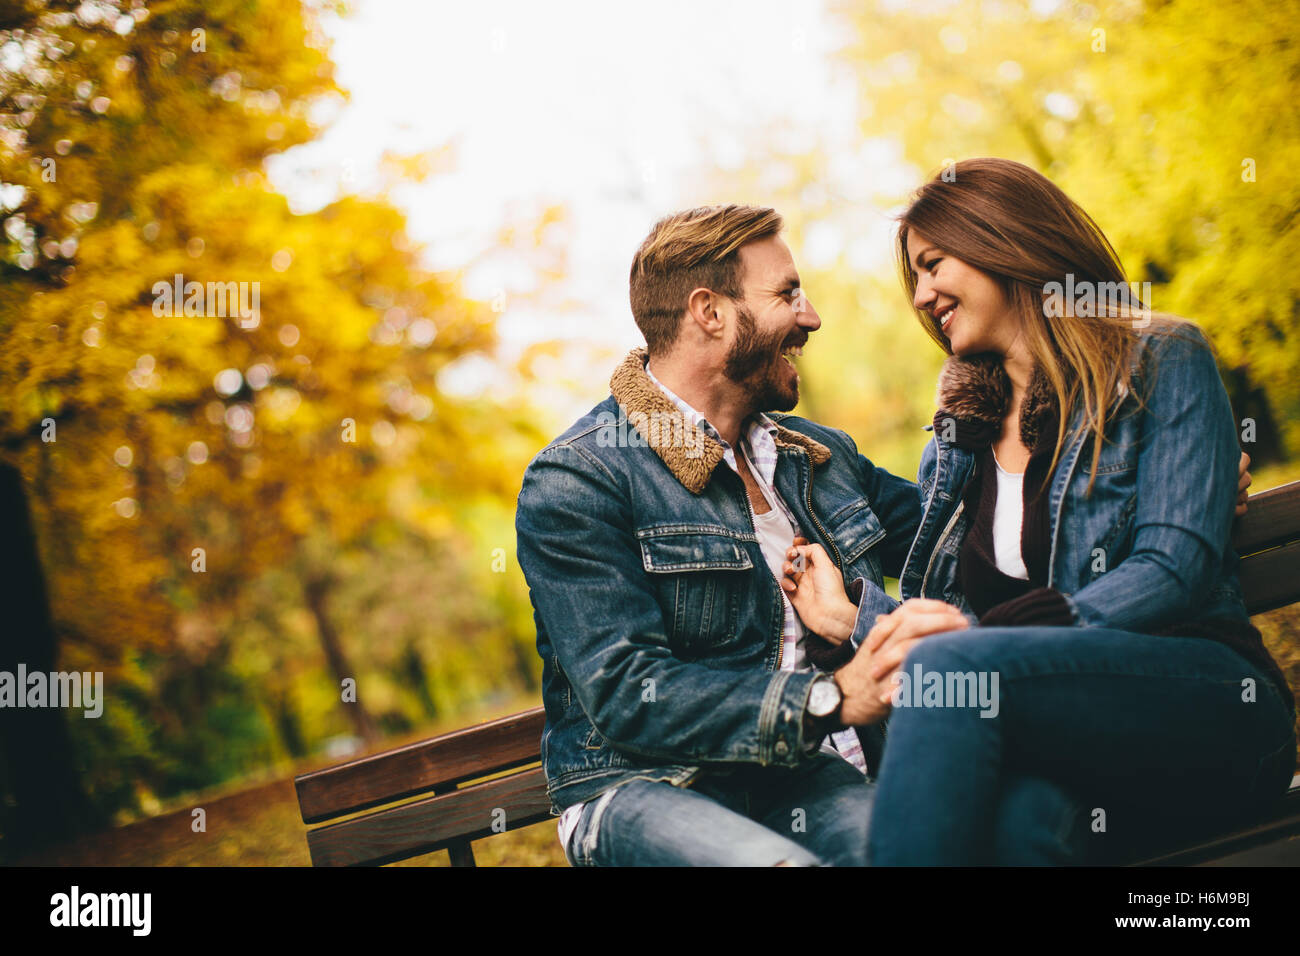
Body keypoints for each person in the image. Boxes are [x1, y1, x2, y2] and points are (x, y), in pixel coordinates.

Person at [514, 203, 1070, 866]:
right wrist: (833, 698)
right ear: (710, 312)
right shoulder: (582, 478)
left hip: (795, 777)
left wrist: (1125, 462)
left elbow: (976, 531)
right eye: (787, 294)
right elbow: (630, 693)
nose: (811, 317)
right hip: (638, 788)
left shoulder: (820, 458)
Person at [782, 158, 1295, 865]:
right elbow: (946, 619)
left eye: (933, 265)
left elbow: (1172, 568)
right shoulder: (958, 440)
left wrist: (1005, 635)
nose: (923, 294)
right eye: (915, 279)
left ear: (1002, 238)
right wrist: (852, 618)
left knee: (953, 675)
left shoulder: (1159, 359)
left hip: (1205, 709)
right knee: (1019, 831)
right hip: (1066, 752)